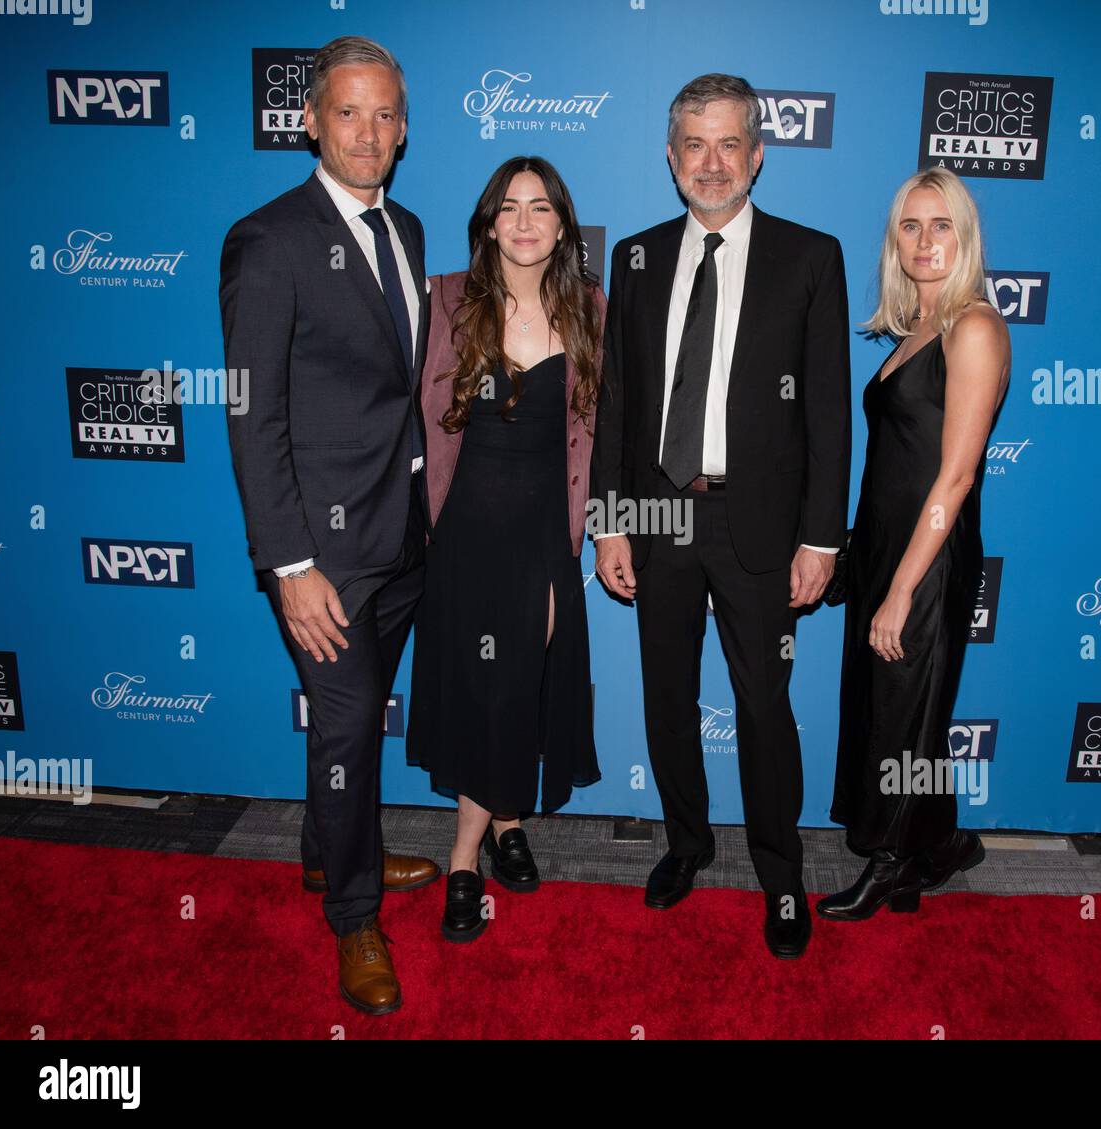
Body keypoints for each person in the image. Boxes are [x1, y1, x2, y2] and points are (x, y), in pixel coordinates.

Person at [591, 74, 851, 960]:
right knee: (667, 701)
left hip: (761, 529)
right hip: (658, 518)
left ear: (758, 155)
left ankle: (783, 876)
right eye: (694, 145)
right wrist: (610, 520)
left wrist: (822, 536)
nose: (712, 162)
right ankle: (686, 844)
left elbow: (826, 411)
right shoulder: (633, 256)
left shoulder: (810, 257)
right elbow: (618, 404)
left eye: (729, 143)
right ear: (670, 158)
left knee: (764, 709)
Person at [220, 36, 438, 1015]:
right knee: (346, 726)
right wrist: (291, 563)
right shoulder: (270, 240)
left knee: (352, 731)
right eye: (348, 112)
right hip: (325, 554)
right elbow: (250, 413)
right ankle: (352, 917)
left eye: (385, 114)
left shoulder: (413, 229)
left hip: (401, 539)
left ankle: (327, 849)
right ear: (310, 120)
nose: (369, 132)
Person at [407, 156, 604, 943]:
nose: (525, 223)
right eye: (510, 208)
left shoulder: (591, 309)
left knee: (524, 677)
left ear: (563, 224)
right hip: (466, 533)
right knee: (485, 686)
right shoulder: (446, 298)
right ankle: (468, 852)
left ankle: (509, 818)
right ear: (489, 222)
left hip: (543, 535)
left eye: (542, 208)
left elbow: (605, 433)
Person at [818, 168, 1010, 922]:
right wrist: (860, 554)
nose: (924, 242)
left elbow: (956, 476)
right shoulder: (916, 330)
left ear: (964, 237)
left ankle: (896, 863)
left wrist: (902, 588)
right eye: (910, 226)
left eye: (941, 226)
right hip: (886, 547)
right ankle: (942, 840)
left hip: (928, 559)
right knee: (897, 706)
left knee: (905, 708)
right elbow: (897, 457)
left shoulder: (975, 327)